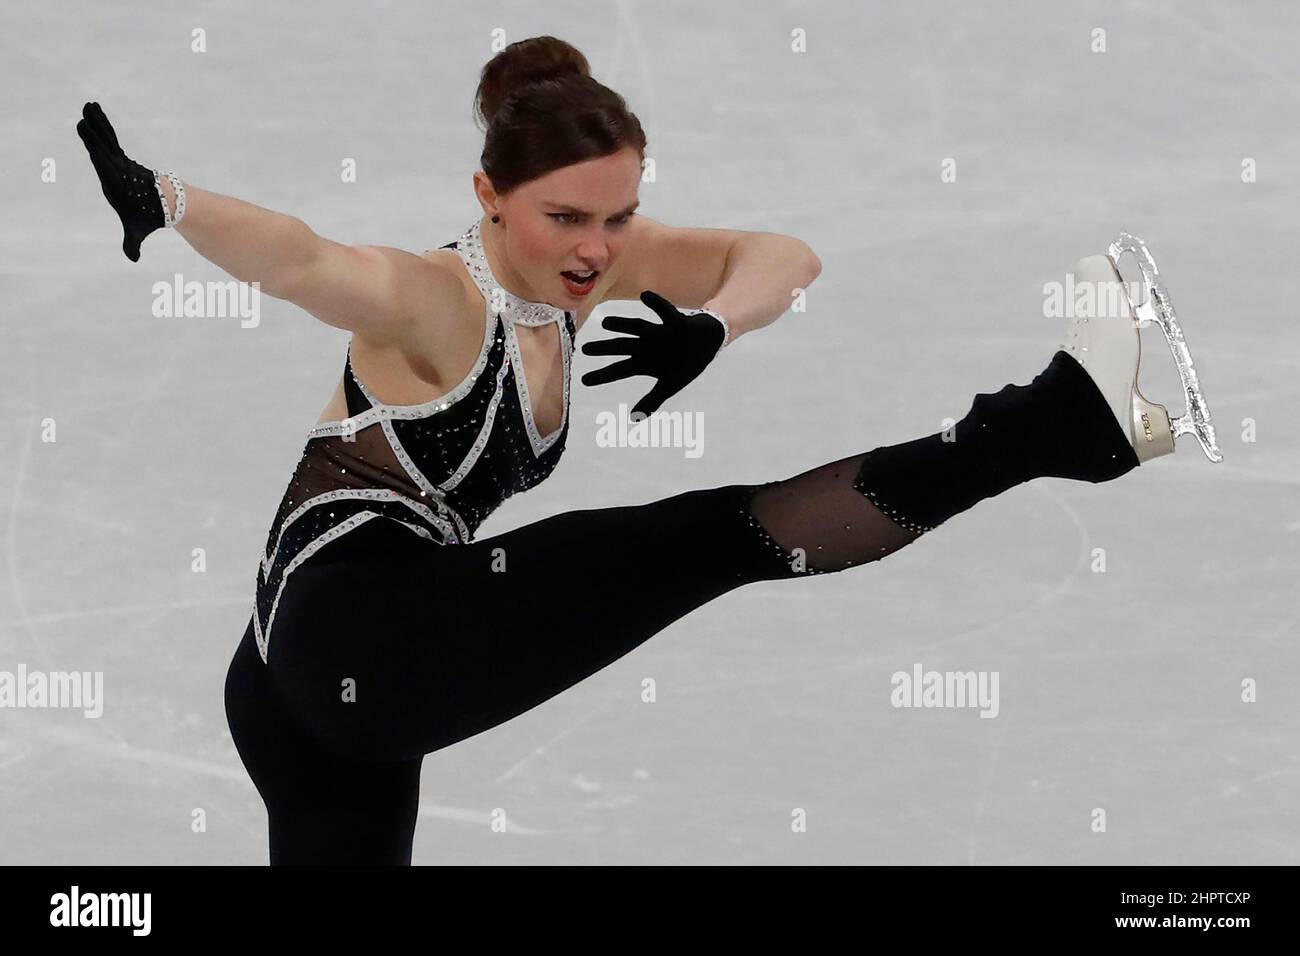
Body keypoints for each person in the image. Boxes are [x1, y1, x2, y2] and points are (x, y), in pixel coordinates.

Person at [75, 35, 1222, 866]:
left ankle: (1063, 423)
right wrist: (164, 196)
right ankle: (1054, 422)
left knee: (701, 538)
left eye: (617, 216)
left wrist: (716, 322)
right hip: (355, 634)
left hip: (308, 673)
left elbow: (780, 253)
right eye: (564, 219)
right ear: (489, 194)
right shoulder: (432, 298)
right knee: (711, 535)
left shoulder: (600, 267)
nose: (595, 249)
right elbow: (302, 257)